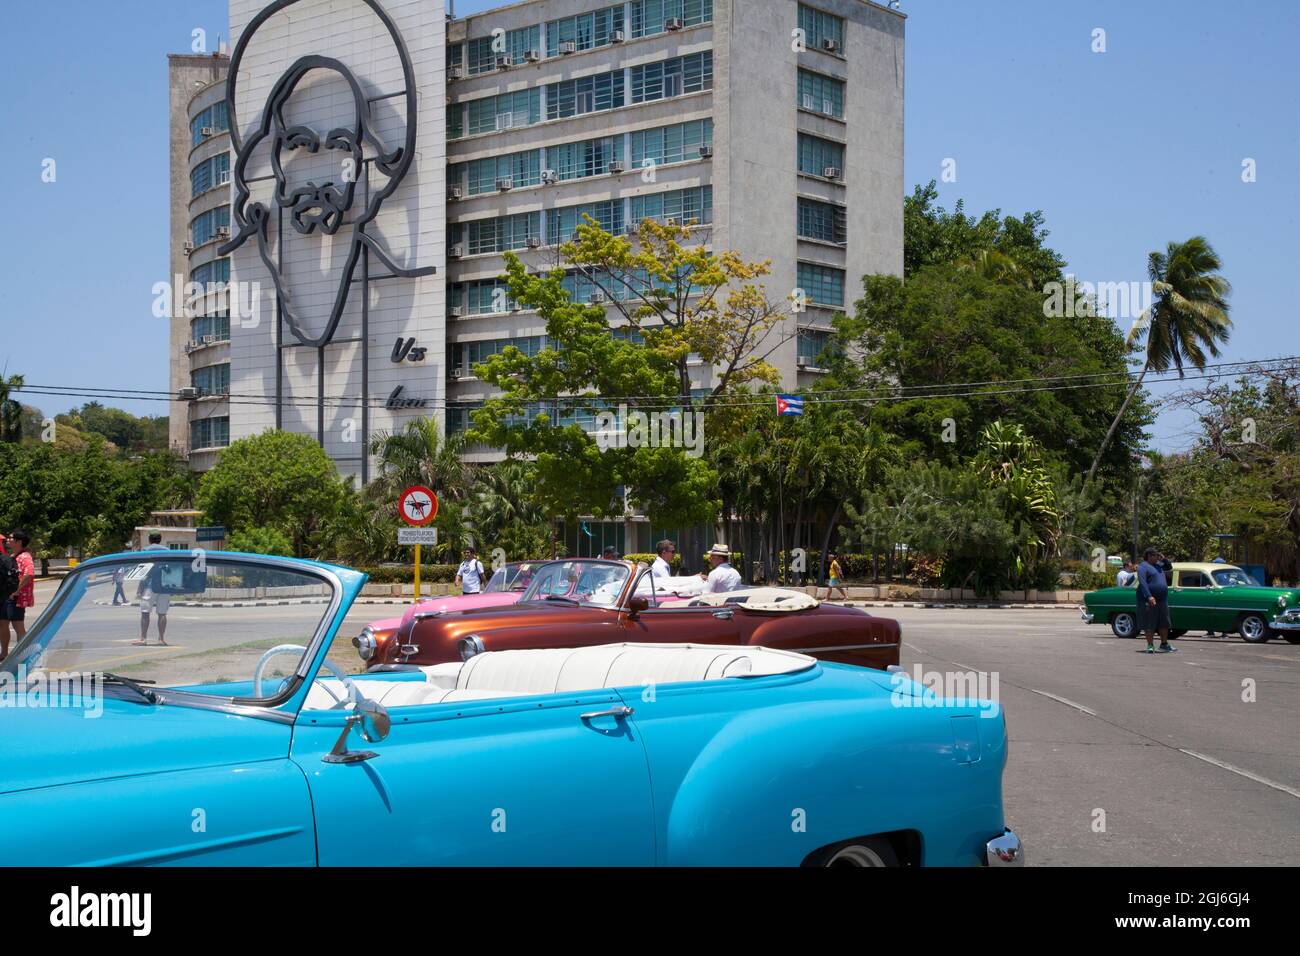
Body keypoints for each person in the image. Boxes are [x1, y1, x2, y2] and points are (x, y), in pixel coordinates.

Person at [2, 530, 35, 662]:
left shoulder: (25, 556)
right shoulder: (13, 555)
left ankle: (24, 655)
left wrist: (16, 590)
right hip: (6, 596)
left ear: (19, 542)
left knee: (18, 626)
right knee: (2, 623)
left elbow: (29, 573)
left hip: (17, 598)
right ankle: (4, 653)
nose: (8, 540)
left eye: (10, 538)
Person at [1136, 547, 1176, 654]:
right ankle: (1150, 645)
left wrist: (1164, 559)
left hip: (1162, 600)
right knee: (1150, 623)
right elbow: (1143, 582)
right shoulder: (1143, 567)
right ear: (1149, 556)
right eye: (1155, 556)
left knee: (1164, 623)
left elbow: (1169, 567)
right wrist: (1149, 596)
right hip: (1149, 600)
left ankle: (1164, 644)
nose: (1157, 558)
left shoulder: (1158, 566)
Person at [134, 533, 170, 646]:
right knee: (162, 613)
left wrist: (140, 587)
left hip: (150, 585)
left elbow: (143, 570)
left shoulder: (145, 550)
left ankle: (143, 638)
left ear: (149, 540)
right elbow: (169, 569)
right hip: (164, 586)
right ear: (160, 539)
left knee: (145, 612)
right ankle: (161, 639)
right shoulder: (167, 551)